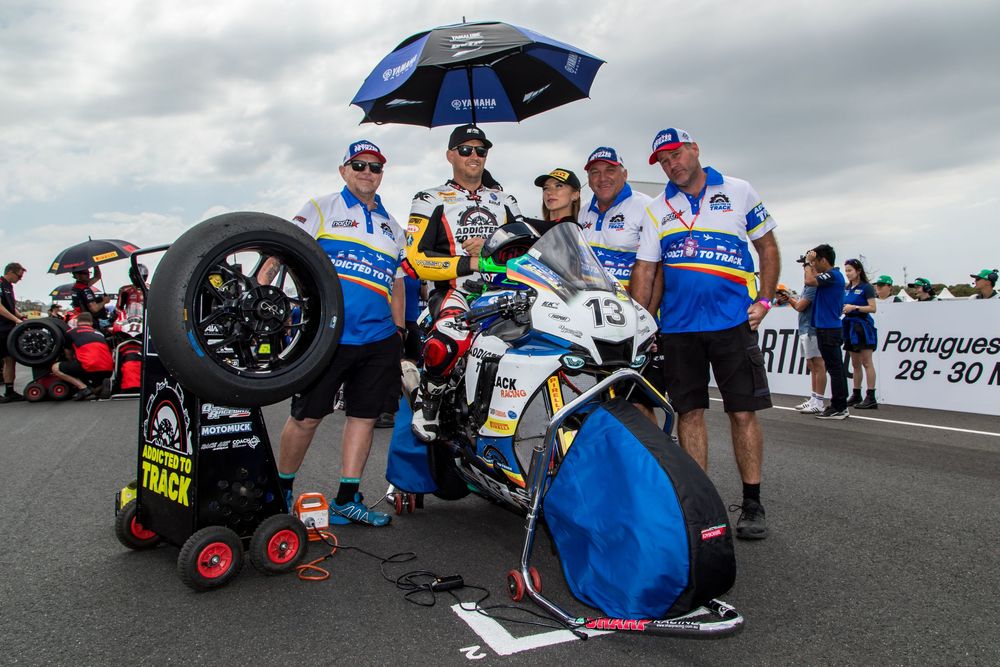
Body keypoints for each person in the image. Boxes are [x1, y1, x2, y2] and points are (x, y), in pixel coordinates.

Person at [631, 128, 780, 540]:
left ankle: (752, 503)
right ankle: (700, 507)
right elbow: (646, 269)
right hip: (679, 328)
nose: (672, 165)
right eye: (664, 161)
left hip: (732, 323)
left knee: (742, 412)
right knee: (690, 414)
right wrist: (641, 322)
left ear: (694, 150)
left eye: (676, 155)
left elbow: (768, 247)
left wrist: (765, 300)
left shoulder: (738, 190)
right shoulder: (657, 208)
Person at [269, 139, 406, 527]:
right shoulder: (320, 207)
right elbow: (280, 250)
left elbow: (397, 282)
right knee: (307, 418)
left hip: (378, 339)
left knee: (363, 417)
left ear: (382, 174)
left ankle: (347, 499)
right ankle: (278, 493)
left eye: (375, 167)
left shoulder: (393, 226)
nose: (367, 173)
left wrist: (398, 331)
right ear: (344, 170)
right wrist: (259, 291)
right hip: (327, 337)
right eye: (359, 165)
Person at [406, 124, 522, 442]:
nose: (474, 155)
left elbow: (526, 249)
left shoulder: (506, 200)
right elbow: (416, 258)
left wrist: (492, 245)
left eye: (480, 150)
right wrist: (468, 262)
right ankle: (428, 401)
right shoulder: (429, 198)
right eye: (466, 149)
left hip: (503, 292)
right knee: (449, 337)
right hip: (454, 291)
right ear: (450, 156)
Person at [579, 148, 653, 294]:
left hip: (630, 303)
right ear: (588, 180)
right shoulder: (583, 211)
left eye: (610, 170)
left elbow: (655, 270)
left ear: (625, 175)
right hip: (590, 301)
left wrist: (642, 307)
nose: (602, 178)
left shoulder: (647, 207)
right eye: (595, 172)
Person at [803, 245, 849, 419]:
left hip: (829, 328)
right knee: (834, 368)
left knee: (835, 369)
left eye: (816, 261)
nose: (814, 264)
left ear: (823, 260)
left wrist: (807, 263)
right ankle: (840, 405)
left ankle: (839, 406)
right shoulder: (831, 276)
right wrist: (810, 264)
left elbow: (809, 281)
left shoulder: (833, 275)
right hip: (826, 327)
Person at [779, 265, 826, 414]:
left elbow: (800, 306)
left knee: (818, 365)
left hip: (812, 329)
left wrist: (790, 300)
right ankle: (814, 398)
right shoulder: (807, 287)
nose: (805, 273)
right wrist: (790, 299)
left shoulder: (813, 286)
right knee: (812, 365)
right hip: (805, 329)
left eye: (807, 270)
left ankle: (819, 400)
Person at [51, 312, 114, 400]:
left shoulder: (71, 333)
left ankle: (83, 388)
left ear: (77, 322)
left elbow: (68, 355)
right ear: (91, 323)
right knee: (86, 366)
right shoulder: (100, 333)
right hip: (108, 370)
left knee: (55, 368)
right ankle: (99, 386)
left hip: (89, 367)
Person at [842, 258, 878, 409]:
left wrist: (855, 307)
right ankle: (856, 393)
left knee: (866, 362)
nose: (848, 273)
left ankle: (871, 395)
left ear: (858, 271)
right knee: (855, 363)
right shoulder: (847, 288)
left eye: (850, 270)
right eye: (846, 271)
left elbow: (873, 308)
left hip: (862, 326)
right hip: (849, 326)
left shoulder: (866, 287)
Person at [1, 262, 28, 403]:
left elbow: (11, 307)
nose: (20, 279)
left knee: (10, 359)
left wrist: (21, 317)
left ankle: (9, 391)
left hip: (7, 328)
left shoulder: (9, 286)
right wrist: (15, 319)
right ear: (10, 272)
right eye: (19, 276)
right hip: (0, 327)